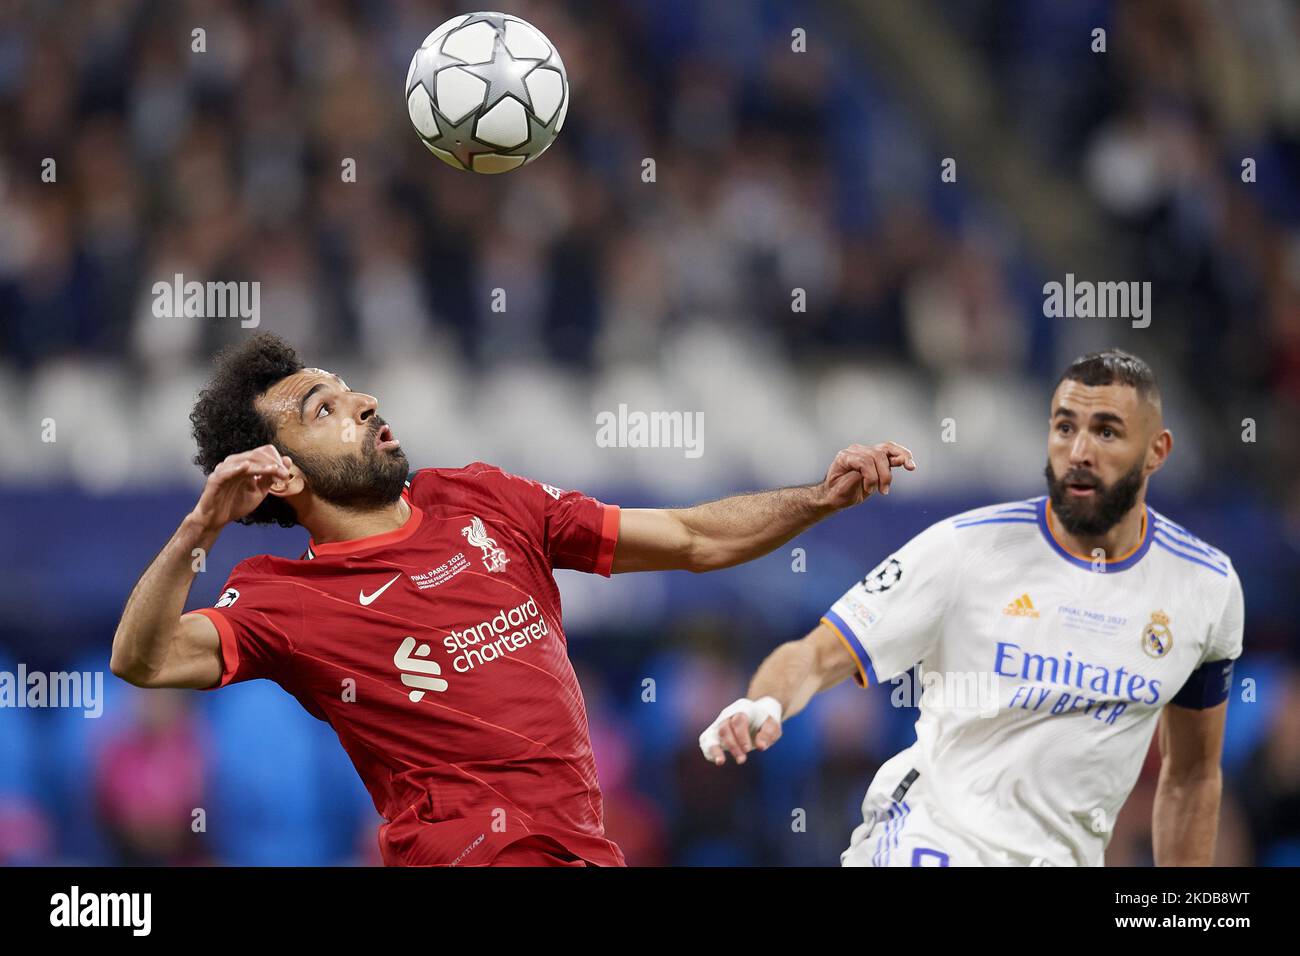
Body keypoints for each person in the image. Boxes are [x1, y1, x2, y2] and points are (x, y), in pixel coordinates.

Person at [111, 332, 915, 867]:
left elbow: (695, 538)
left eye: (350, 391)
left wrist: (819, 498)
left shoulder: (483, 498)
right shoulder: (285, 598)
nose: (362, 404)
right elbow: (141, 659)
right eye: (322, 409)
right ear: (276, 473)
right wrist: (198, 530)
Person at [699, 349, 1243, 867]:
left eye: (1106, 431)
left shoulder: (1205, 588)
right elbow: (816, 655)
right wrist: (764, 702)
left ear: (1158, 451)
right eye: (1064, 427)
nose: (1079, 451)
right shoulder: (965, 549)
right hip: (927, 843)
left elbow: (1193, 774)